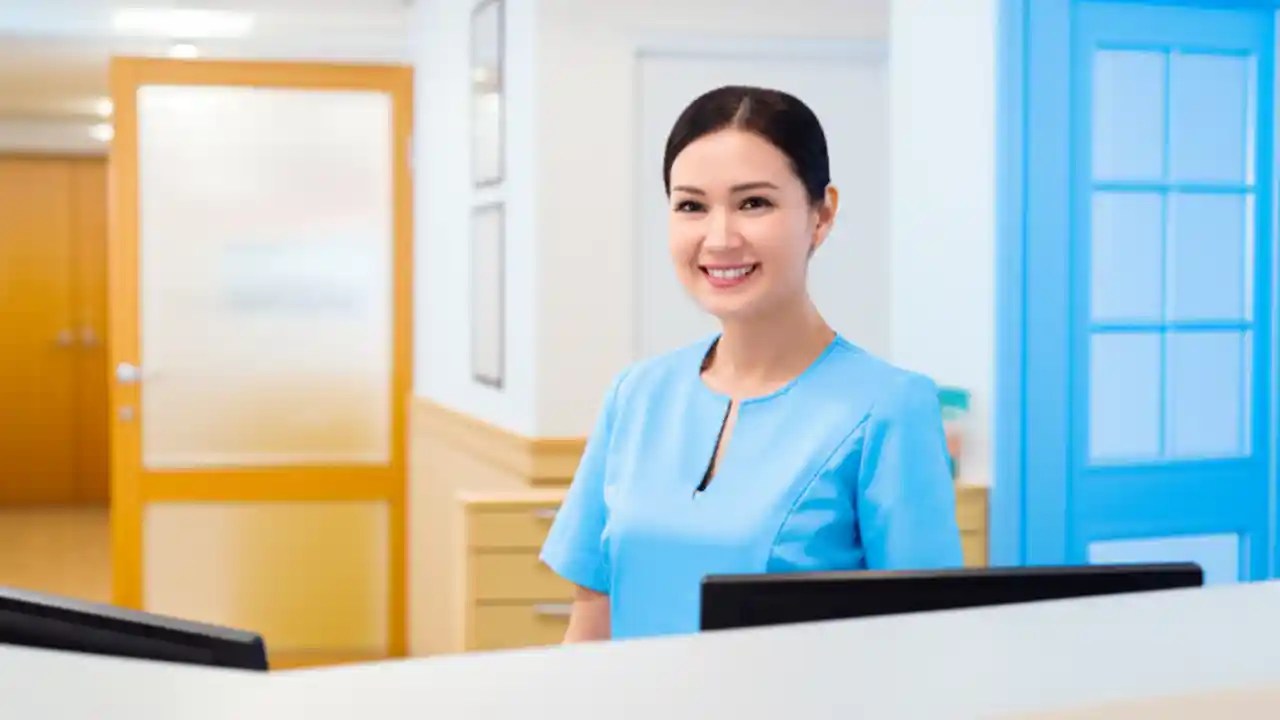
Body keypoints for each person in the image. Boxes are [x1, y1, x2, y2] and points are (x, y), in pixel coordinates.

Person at [539, 85, 963, 643]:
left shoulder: (889, 407)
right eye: (691, 206)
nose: (719, 238)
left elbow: (925, 643)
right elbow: (594, 614)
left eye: (753, 203)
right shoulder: (636, 395)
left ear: (822, 214)